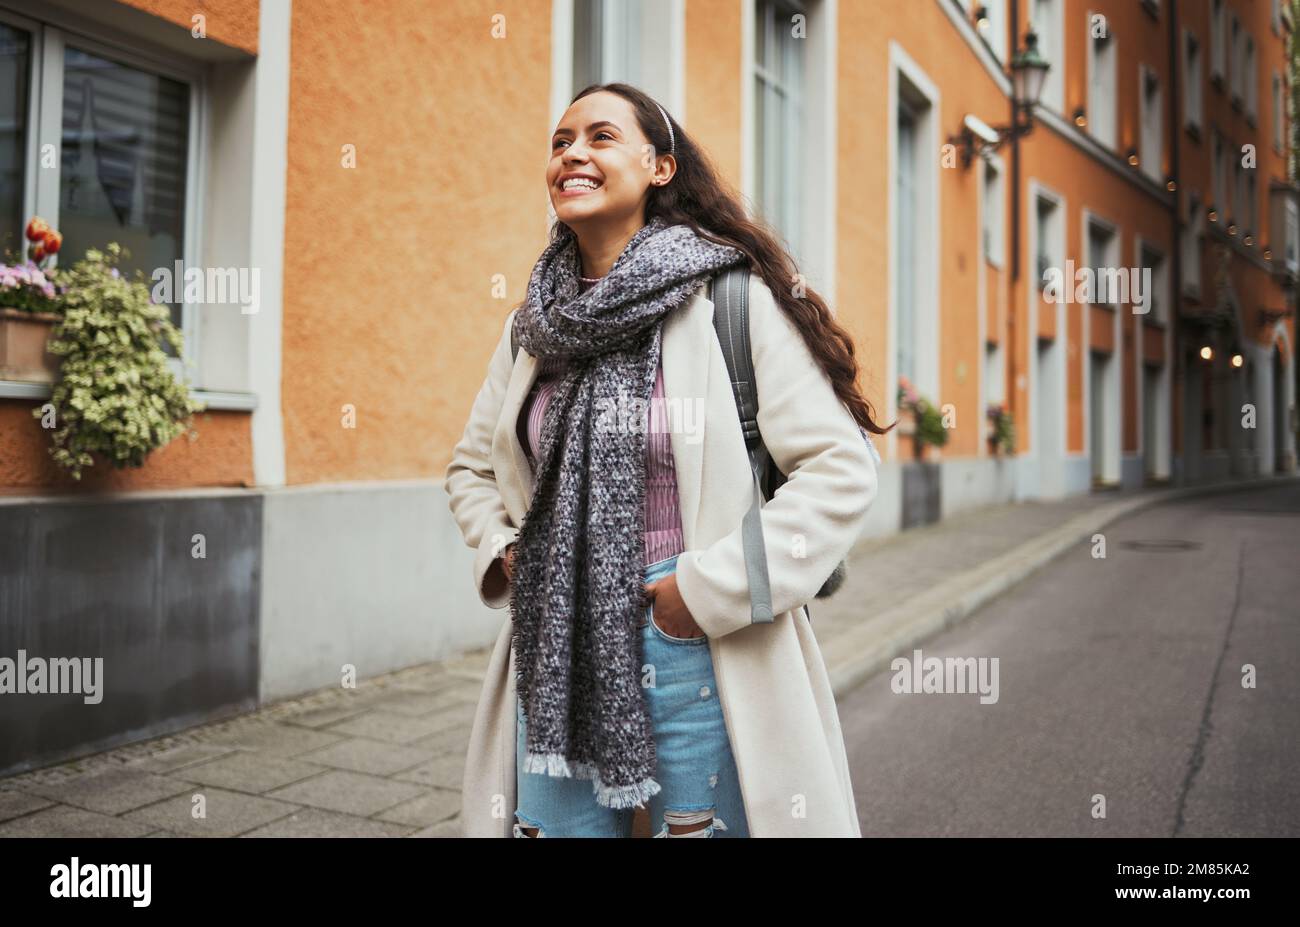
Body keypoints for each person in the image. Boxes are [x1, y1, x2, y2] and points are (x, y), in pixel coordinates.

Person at [444, 82, 890, 838]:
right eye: (560, 141)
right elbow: (471, 468)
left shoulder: (728, 300)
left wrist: (699, 593)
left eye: (601, 136)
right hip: (558, 646)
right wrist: (514, 553)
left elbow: (840, 470)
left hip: (696, 639)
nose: (573, 153)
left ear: (659, 167)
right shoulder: (533, 327)